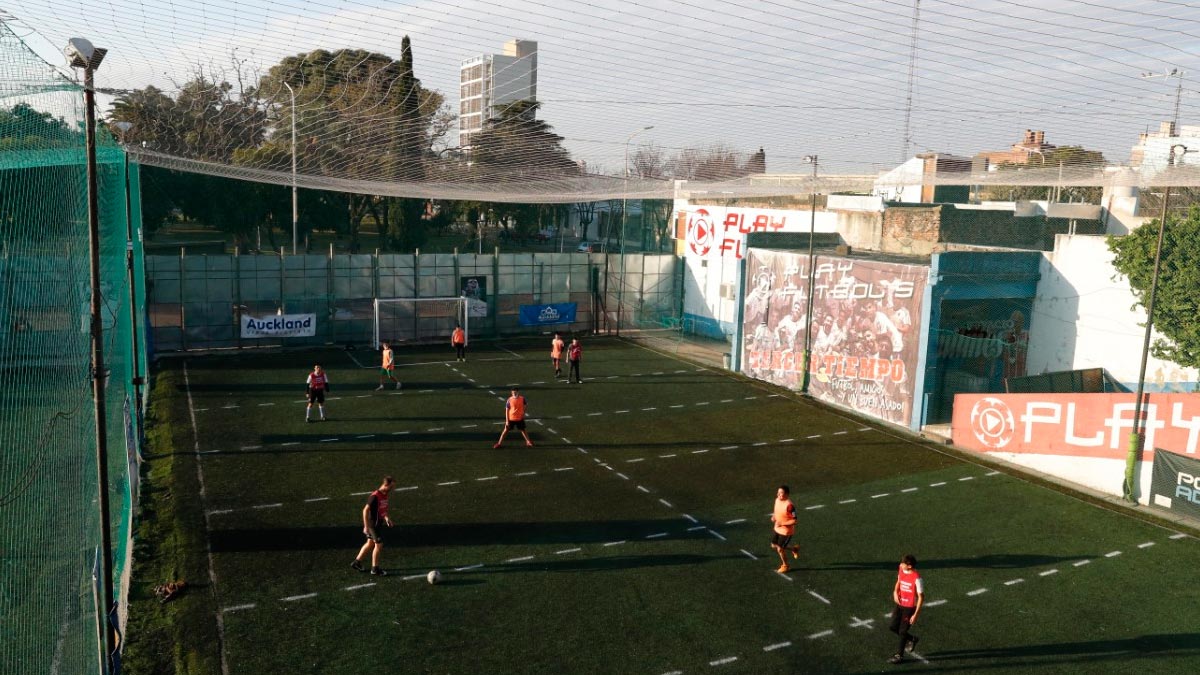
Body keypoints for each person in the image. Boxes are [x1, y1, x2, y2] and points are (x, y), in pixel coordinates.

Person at [351, 476, 395, 576]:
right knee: (379, 545)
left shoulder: (385, 495)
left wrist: (387, 518)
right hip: (372, 525)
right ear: (386, 485)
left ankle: (356, 562)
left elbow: (382, 509)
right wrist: (366, 526)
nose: (392, 489)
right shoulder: (375, 496)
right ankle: (375, 569)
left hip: (377, 524)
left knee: (370, 543)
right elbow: (365, 510)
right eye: (391, 487)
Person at [888, 554, 924, 664]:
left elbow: (921, 597)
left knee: (902, 631)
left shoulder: (917, 578)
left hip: (910, 608)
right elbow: (898, 582)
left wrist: (915, 614)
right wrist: (895, 592)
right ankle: (913, 639)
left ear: (909, 566)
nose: (900, 564)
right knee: (893, 627)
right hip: (900, 605)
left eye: (903, 563)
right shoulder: (901, 570)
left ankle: (899, 655)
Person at [770, 485, 801, 573]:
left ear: (787, 494)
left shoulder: (790, 506)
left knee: (780, 549)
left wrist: (782, 523)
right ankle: (794, 549)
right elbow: (777, 511)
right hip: (777, 528)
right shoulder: (777, 500)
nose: (778, 494)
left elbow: (794, 521)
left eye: (781, 493)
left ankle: (785, 566)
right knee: (773, 545)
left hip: (786, 531)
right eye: (778, 492)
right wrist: (774, 516)